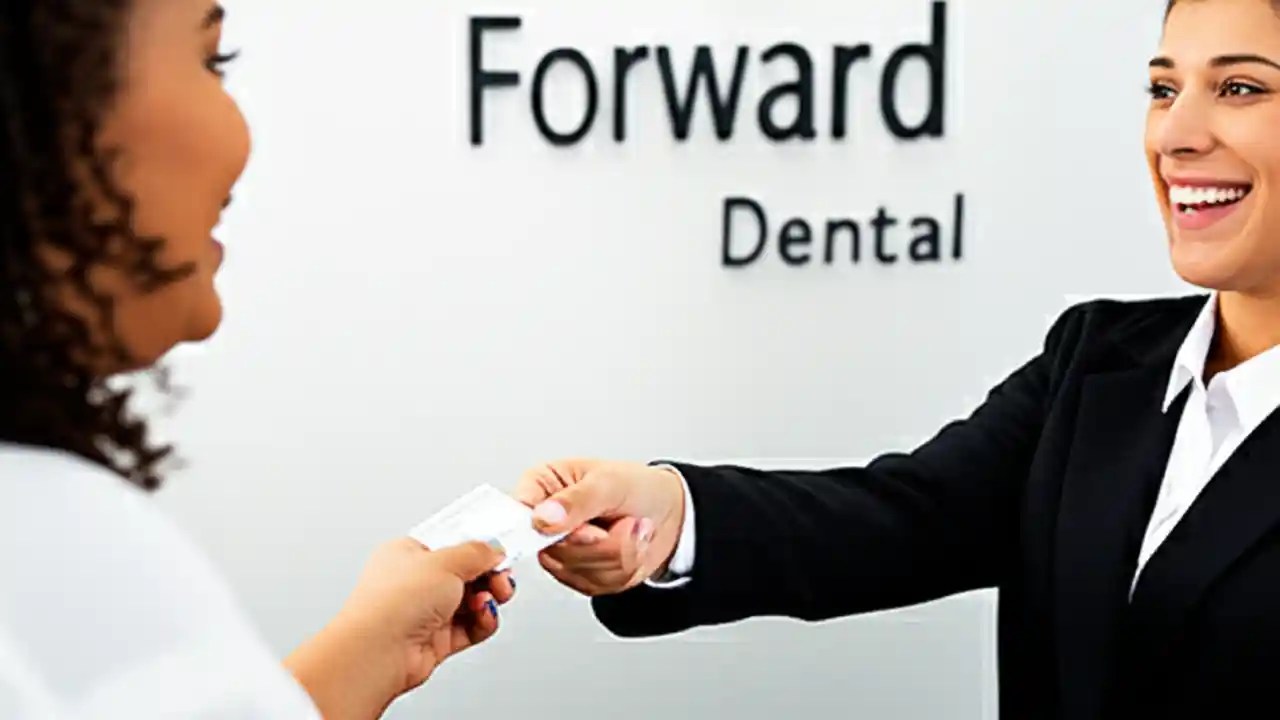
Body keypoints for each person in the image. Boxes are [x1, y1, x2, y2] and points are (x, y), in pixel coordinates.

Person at [515, 0, 1280, 717]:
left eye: (1241, 87)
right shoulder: (1097, 362)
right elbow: (898, 518)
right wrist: (665, 515)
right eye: (1161, 88)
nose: (1175, 134)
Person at [0, 1, 516, 717]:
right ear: (44, 98)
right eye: (213, 60)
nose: (243, 140)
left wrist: (365, 652)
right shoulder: (56, 543)